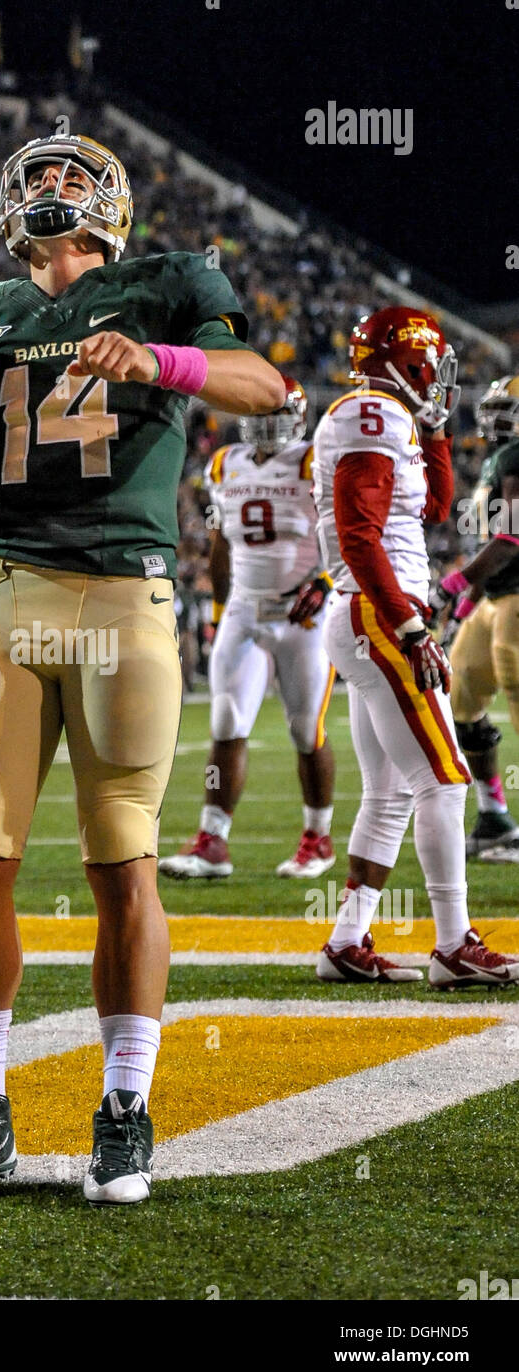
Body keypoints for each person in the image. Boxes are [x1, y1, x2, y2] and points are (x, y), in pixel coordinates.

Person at [0, 133, 285, 1202]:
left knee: (120, 860)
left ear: (114, 198)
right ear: (10, 203)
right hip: (3, 588)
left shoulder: (172, 282)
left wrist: (161, 360)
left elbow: (263, 385)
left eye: (71, 173)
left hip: (121, 590)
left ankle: (125, 1108)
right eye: (34, 175)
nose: (52, 187)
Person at [312, 307, 519, 988]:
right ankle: (454, 944)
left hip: (368, 611)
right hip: (379, 611)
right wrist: (407, 624)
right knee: (445, 777)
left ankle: (345, 939)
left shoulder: (388, 415)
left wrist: (433, 433)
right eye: (427, 362)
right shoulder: (370, 413)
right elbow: (358, 538)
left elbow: (431, 508)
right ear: (401, 359)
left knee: (394, 793)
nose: (435, 376)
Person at [160, 377, 336, 882]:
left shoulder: (313, 461)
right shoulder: (224, 463)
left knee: (307, 728)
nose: (265, 424)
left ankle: (317, 839)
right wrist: (219, 613)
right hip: (243, 608)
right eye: (257, 413)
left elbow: (342, 527)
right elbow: (220, 546)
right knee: (226, 724)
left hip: (304, 612)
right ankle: (212, 842)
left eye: (274, 414)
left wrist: (327, 582)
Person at [428, 376, 519, 862]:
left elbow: (511, 540)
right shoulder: (497, 459)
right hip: (498, 600)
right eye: (494, 408)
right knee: (460, 697)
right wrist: (466, 605)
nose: (495, 418)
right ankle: (495, 819)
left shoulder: (514, 458)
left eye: (507, 409)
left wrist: (453, 584)